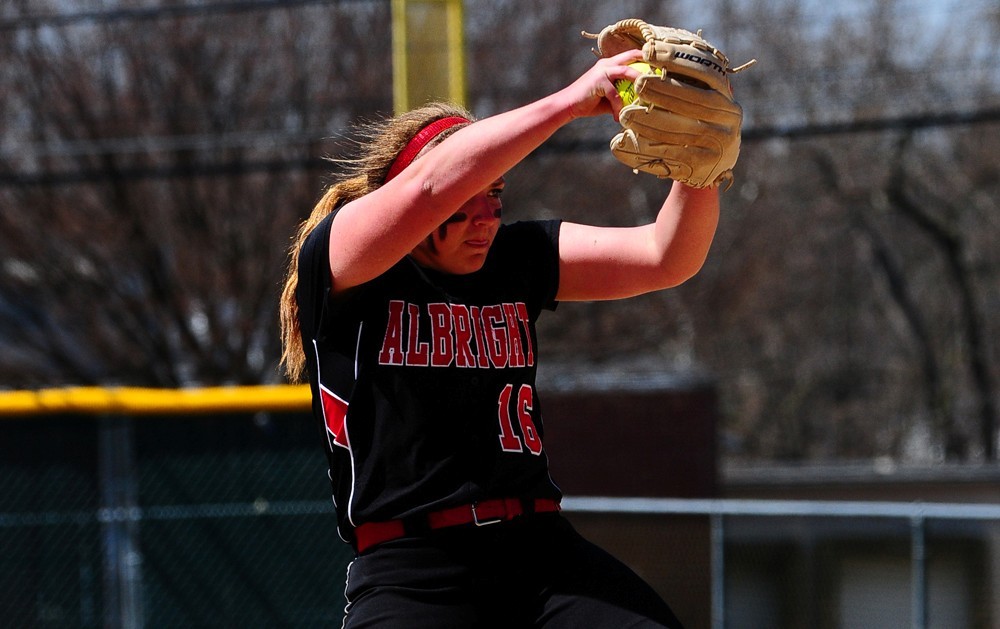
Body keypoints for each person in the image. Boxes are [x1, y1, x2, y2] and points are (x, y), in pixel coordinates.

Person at [278, 48, 721, 629]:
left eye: (497, 196)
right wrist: (570, 101)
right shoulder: (345, 261)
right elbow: (430, 189)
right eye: (472, 198)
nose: (487, 216)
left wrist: (702, 168)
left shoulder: (516, 258)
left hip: (540, 555)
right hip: (413, 569)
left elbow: (665, 257)